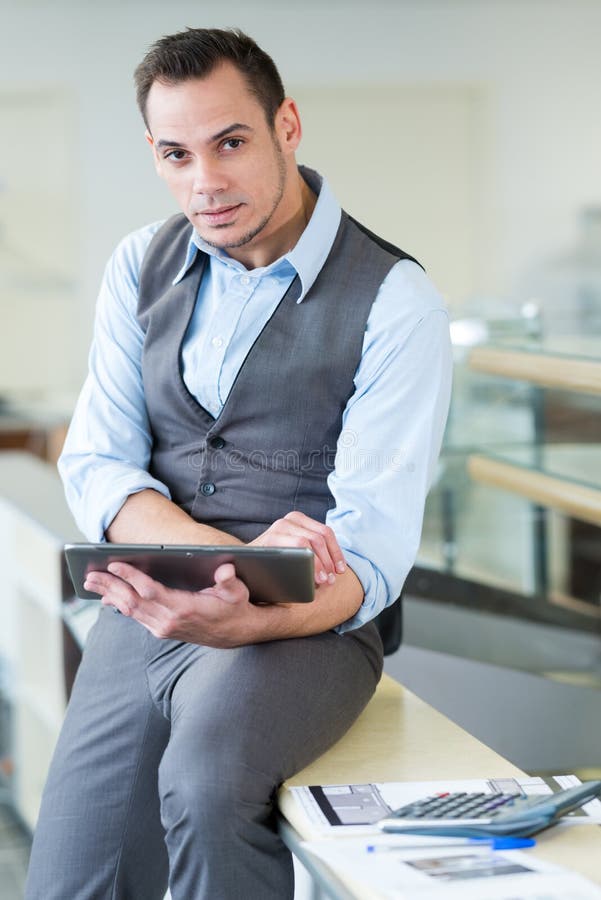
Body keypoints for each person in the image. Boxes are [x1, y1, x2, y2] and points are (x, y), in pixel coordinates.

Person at [25, 27, 452, 900]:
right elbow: (101, 461)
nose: (205, 182)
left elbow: (369, 551)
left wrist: (253, 612)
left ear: (286, 125)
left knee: (207, 787)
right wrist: (216, 561)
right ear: (154, 152)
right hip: (148, 605)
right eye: (177, 154)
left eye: (230, 143)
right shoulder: (137, 266)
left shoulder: (394, 299)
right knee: (73, 872)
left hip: (310, 626)